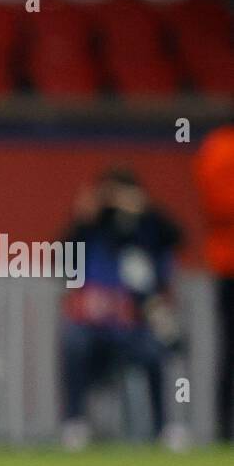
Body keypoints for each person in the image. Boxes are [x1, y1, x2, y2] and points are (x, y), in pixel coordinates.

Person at [59, 167, 183, 449]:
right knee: (74, 340)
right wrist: (83, 217)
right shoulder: (91, 230)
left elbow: (175, 238)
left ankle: (164, 427)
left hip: (133, 329)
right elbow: (65, 259)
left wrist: (144, 210)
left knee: (155, 349)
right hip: (94, 331)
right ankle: (75, 423)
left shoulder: (147, 230)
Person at [193, 122, 234, 441]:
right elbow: (219, 202)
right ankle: (225, 428)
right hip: (229, 266)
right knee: (229, 349)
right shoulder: (219, 147)